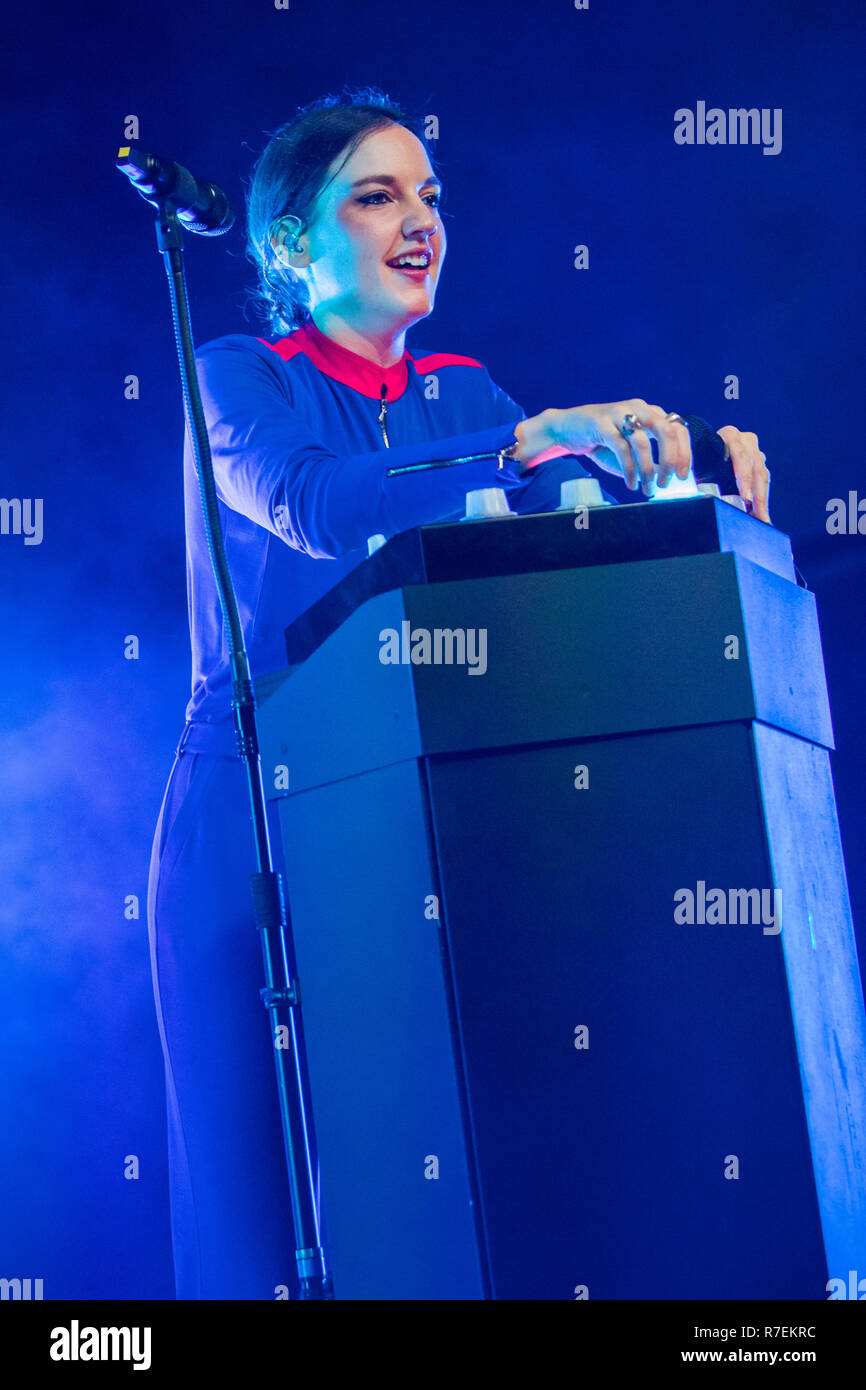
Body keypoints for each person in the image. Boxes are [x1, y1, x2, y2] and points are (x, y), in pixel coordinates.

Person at [146, 84, 771, 1300]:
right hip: (252, 811)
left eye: (428, 193)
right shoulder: (236, 375)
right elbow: (320, 507)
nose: (417, 216)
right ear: (288, 243)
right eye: (374, 195)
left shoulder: (466, 394)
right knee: (255, 1204)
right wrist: (524, 446)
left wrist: (696, 483)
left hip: (412, 822)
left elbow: (577, 524)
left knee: (418, 1191)